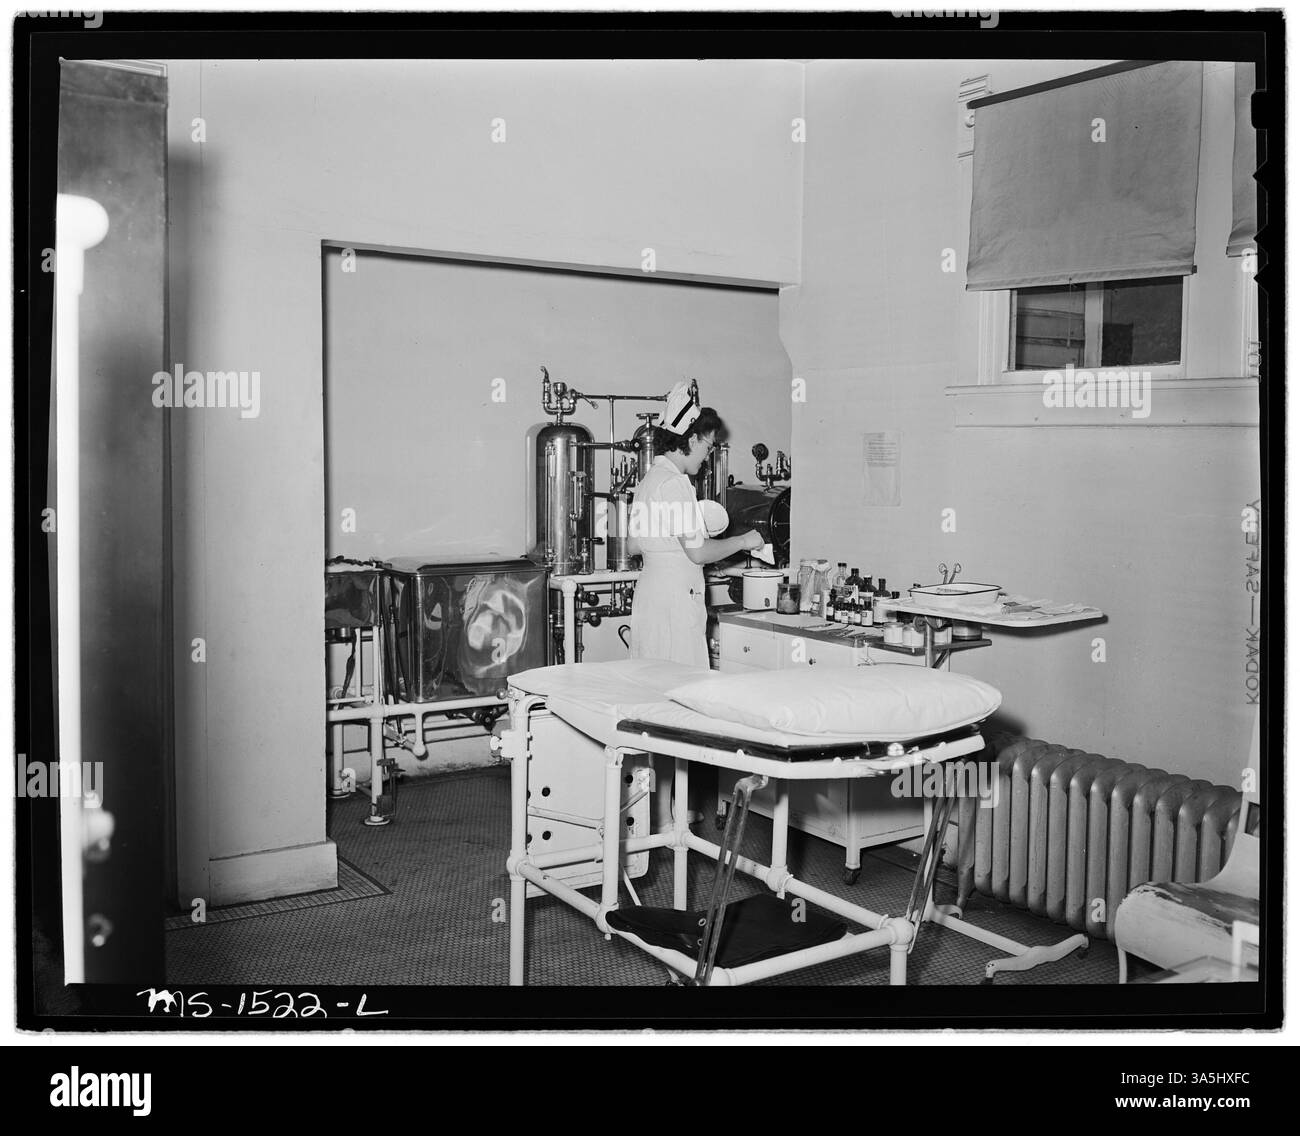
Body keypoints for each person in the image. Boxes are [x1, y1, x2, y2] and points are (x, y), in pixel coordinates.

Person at [628, 387, 763, 667]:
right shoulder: (675, 483)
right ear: (691, 439)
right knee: (680, 690)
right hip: (675, 601)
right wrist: (744, 541)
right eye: (707, 446)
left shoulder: (650, 479)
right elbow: (698, 553)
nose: (708, 456)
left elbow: (633, 545)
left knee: (650, 687)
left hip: (650, 596)